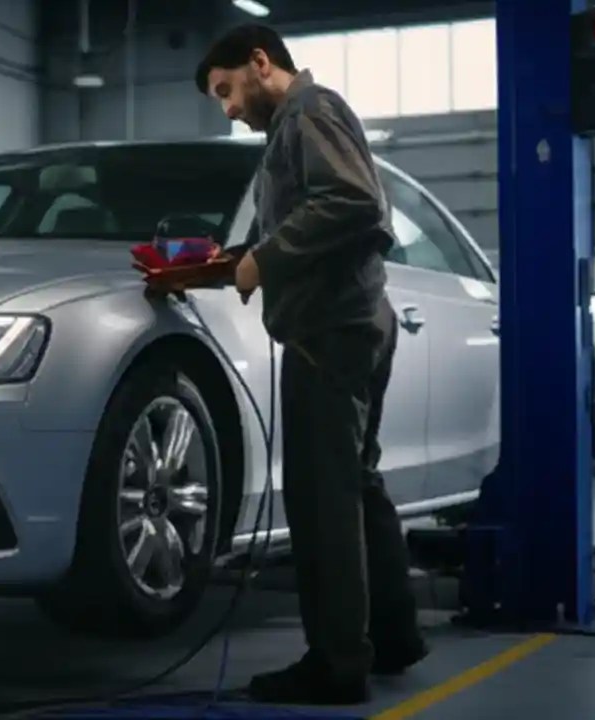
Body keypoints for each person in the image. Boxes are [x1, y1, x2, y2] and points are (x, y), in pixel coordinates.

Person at [142, 24, 429, 705]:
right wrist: (214, 269)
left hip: (330, 331)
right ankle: (393, 637)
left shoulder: (312, 111)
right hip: (349, 322)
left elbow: (356, 203)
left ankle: (336, 665)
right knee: (355, 483)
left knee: (322, 496)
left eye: (226, 90)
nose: (228, 108)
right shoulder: (294, 129)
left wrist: (261, 260)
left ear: (260, 63)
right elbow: (293, 228)